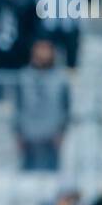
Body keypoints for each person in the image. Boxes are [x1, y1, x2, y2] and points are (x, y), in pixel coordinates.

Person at [15, 39, 69, 171]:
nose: (43, 53)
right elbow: (17, 107)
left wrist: (61, 132)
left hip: (51, 137)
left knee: (51, 180)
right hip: (29, 137)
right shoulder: (23, 77)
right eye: (40, 48)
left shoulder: (61, 79)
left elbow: (66, 107)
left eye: (46, 49)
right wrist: (18, 133)